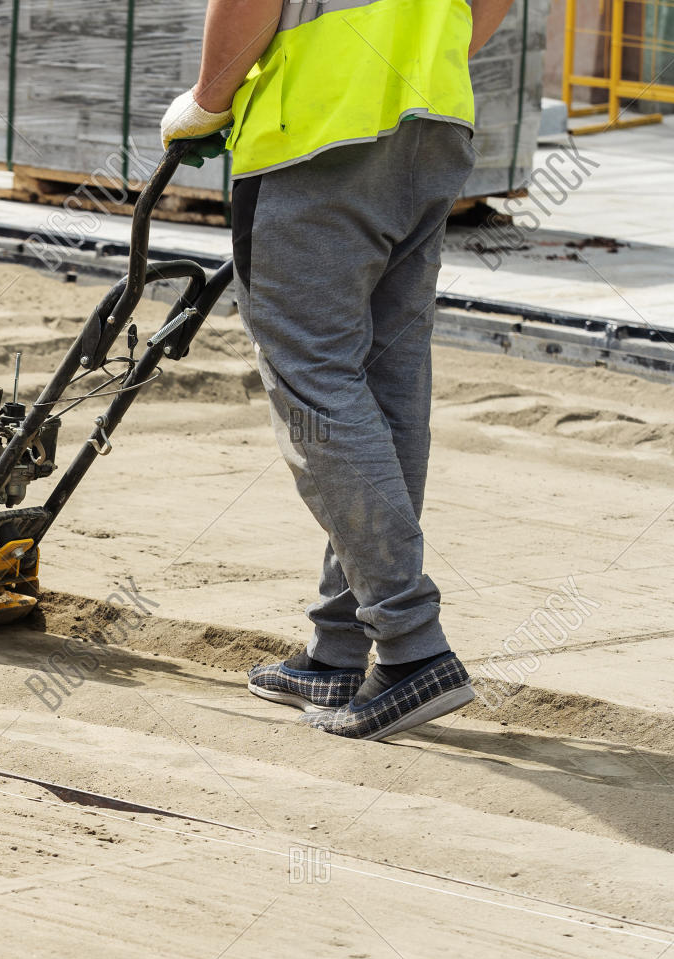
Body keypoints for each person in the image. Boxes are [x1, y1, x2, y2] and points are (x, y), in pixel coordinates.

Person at [161, 0, 516, 740]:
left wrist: (207, 101)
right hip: (432, 124)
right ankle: (340, 647)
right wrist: (427, 60)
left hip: (319, 131)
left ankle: (414, 647)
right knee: (386, 387)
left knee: (316, 381)